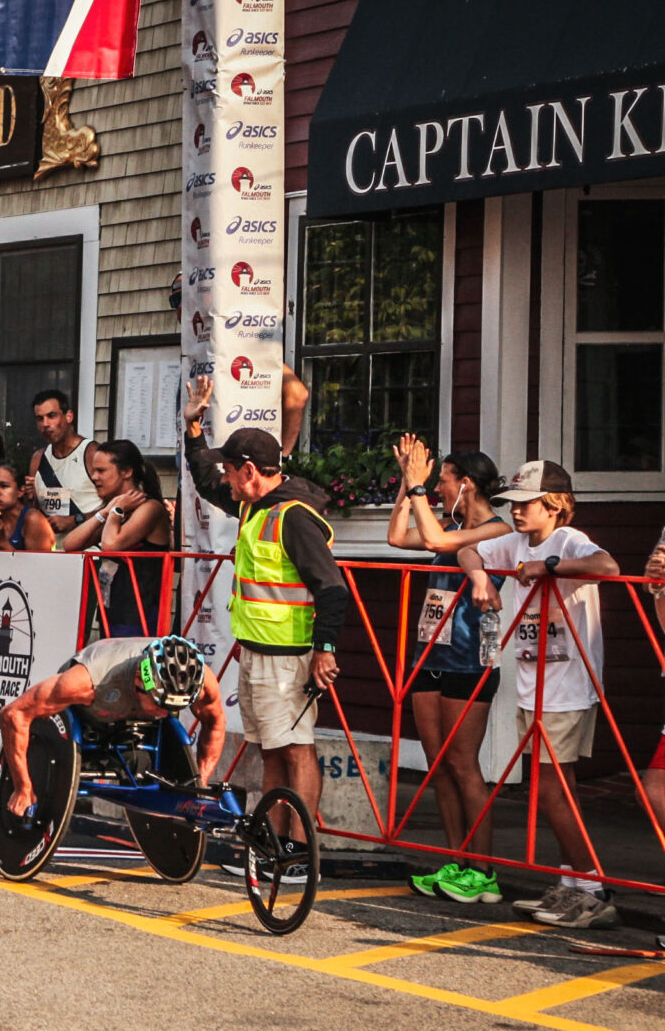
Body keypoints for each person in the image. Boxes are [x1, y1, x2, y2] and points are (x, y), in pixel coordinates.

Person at [456, 461, 620, 928]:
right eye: (513, 505)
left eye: (526, 505)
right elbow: (469, 552)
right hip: (533, 683)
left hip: (567, 686)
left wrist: (550, 567)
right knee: (549, 790)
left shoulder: (568, 541)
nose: (517, 513)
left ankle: (593, 889)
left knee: (553, 792)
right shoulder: (513, 541)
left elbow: (607, 566)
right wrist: (481, 577)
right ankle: (570, 885)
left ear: (554, 505)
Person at [181, 378, 351, 827]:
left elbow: (332, 588)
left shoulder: (292, 516)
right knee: (271, 750)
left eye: (231, 471)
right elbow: (204, 480)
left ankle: (297, 848)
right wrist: (193, 428)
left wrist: (325, 650)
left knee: (296, 750)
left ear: (250, 470)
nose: (226, 479)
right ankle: (273, 842)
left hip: (289, 657)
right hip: (259, 650)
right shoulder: (254, 505)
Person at [386, 438, 509, 903]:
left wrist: (418, 488)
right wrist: (405, 483)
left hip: (469, 657)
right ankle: (457, 863)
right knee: (439, 766)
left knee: (463, 764)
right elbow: (398, 538)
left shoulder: (497, 530)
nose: (437, 487)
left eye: (444, 479)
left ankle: (485, 869)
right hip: (429, 654)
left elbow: (437, 542)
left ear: (467, 484)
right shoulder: (451, 524)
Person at [0, 634, 225, 826]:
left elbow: (215, 723)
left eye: (173, 708)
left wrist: (200, 783)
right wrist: (22, 785)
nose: (165, 714)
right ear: (140, 680)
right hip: (89, 713)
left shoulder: (201, 682)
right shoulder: (85, 683)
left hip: (129, 726)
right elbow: (14, 714)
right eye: (160, 704)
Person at [59, 440, 174, 637]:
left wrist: (114, 512)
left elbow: (111, 545)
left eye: (101, 471)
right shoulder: (112, 509)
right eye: (94, 471)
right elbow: (70, 544)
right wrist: (104, 511)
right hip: (111, 611)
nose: (94, 477)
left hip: (139, 616)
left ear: (126, 472)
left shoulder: (150, 508)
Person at [25, 390, 105, 530]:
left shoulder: (91, 453)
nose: (45, 424)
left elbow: (116, 507)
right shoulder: (38, 459)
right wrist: (29, 497)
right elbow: (34, 511)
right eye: (39, 418)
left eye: (51, 416)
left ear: (68, 416)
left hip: (90, 546)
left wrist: (76, 520)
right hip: (51, 547)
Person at [0, 462, 58, 552]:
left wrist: (2, 543)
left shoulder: (33, 519)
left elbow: (39, 564)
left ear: (21, 491)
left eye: (4, 486)